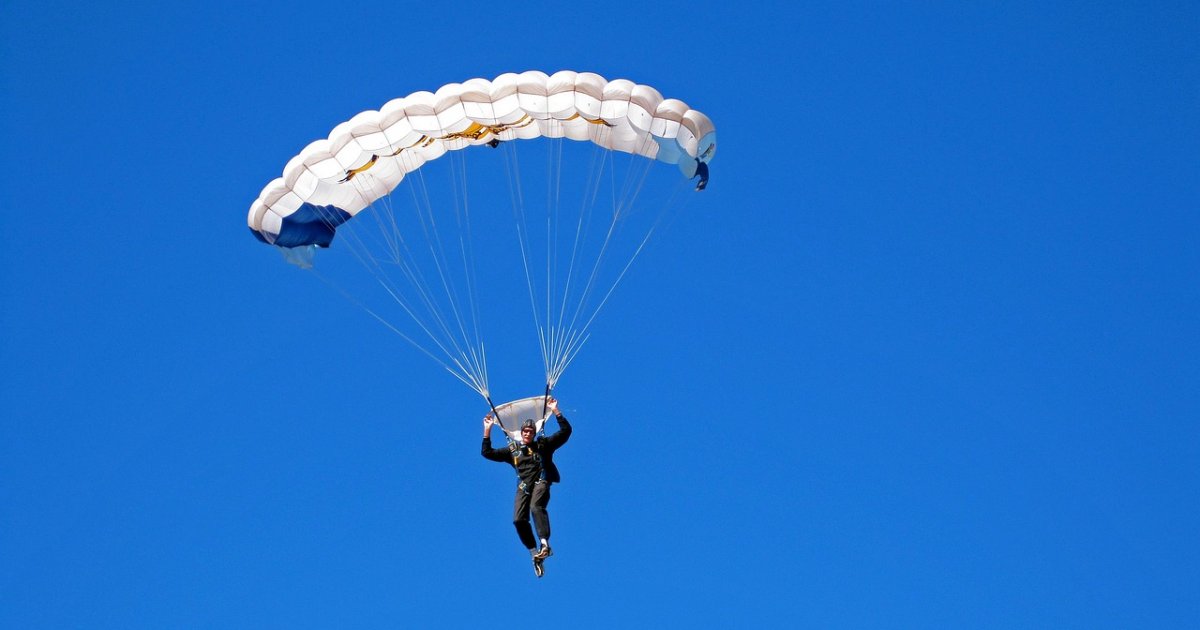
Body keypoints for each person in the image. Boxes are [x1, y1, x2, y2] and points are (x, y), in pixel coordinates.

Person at [481, 396, 572, 578]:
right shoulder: (513, 451)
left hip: (542, 481)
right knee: (518, 520)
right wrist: (487, 430)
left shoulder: (543, 445)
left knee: (535, 507)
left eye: (531, 431)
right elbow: (487, 453)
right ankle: (534, 553)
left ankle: (545, 544)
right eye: (525, 431)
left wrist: (556, 411)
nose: (528, 434)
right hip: (524, 487)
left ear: (535, 433)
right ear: (521, 433)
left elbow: (565, 432)